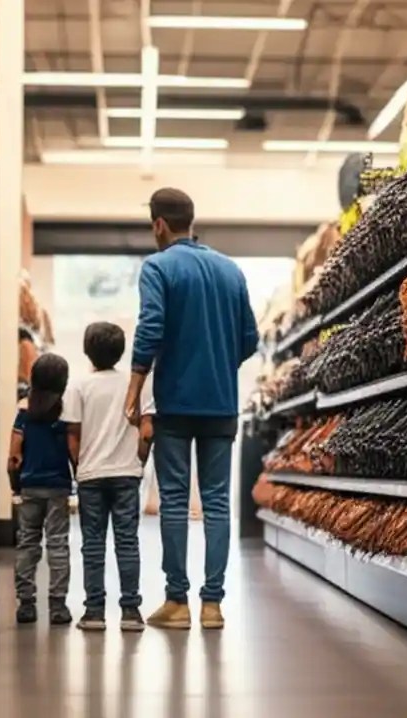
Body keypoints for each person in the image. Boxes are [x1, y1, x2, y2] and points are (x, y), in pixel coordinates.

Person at [125, 187, 259, 630]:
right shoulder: (230, 270)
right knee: (218, 501)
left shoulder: (158, 267)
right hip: (221, 404)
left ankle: (177, 601)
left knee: (176, 501)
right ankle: (213, 605)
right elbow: (249, 339)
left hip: (176, 405)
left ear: (159, 224)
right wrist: (219, 365)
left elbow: (150, 330)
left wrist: (134, 391)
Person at [62, 322, 154, 632]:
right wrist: (139, 460)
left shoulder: (78, 386)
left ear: (87, 350)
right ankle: (130, 611)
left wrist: (79, 467)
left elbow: (72, 434)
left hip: (91, 476)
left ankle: (94, 612)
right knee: (127, 542)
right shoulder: (134, 384)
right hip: (127, 474)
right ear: (122, 351)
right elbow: (146, 431)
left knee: (93, 544)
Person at [7, 353, 73, 626]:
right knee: (58, 544)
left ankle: (26, 604)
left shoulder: (24, 413)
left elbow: (14, 455)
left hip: (30, 487)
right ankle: (57, 605)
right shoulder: (65, 414)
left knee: (27, 543)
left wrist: (15, 485)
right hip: (57, 487)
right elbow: (73, 449)